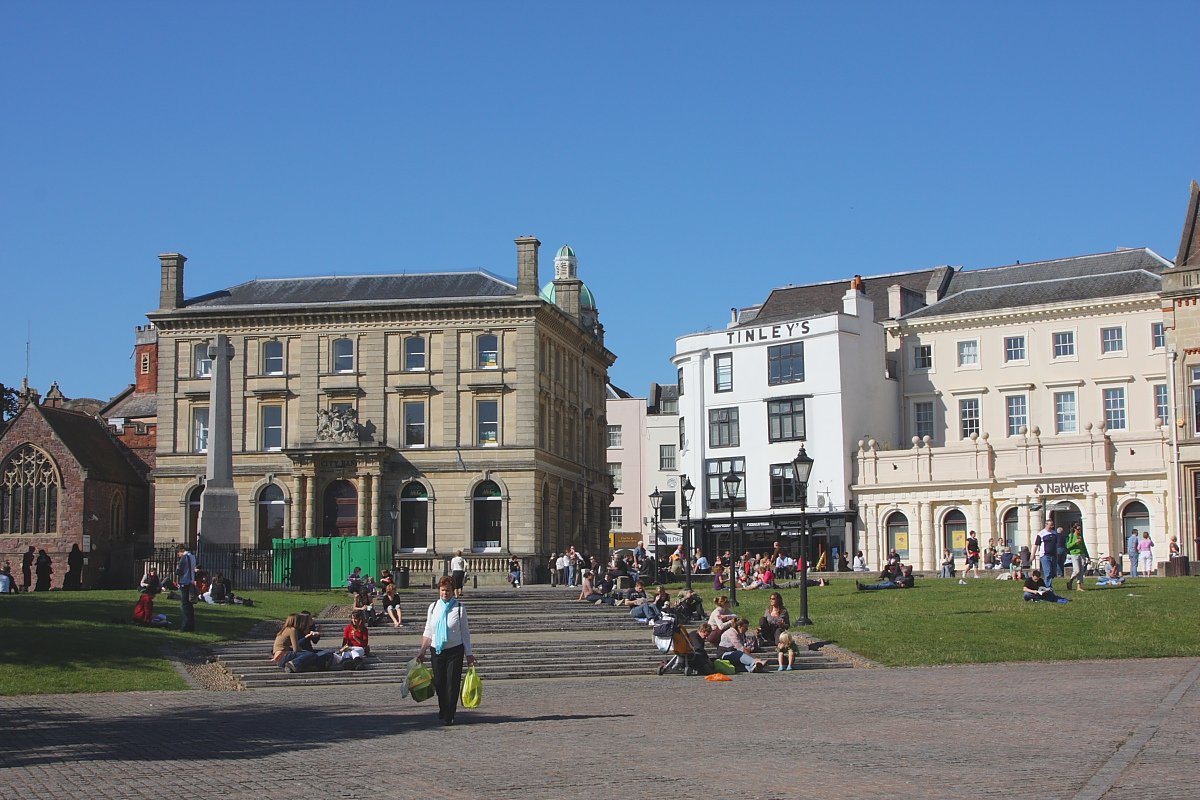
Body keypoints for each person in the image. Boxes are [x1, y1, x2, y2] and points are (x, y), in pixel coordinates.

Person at [417, 576, 477, 726]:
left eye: (448, 590)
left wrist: (469, 653)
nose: (445, 593)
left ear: (453, 591)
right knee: (439, 682)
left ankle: (450, 714)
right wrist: (422, 651)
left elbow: (465, 632)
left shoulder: (459, 608)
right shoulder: (433, 608)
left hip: (455, 651)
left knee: (452, 683)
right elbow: (428, 630)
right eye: (443, 590)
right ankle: (443, 708)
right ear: (439, 591)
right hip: (437, 650)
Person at [175, 543, 197, 632]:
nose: (178, 555)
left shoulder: (184, 557)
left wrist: (177, 570)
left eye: (178, 553)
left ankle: (185, 626)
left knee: (184, 605)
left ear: (182, 550)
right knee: (189, 605)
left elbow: (179, 571)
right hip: (190, 581)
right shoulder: (192, 556)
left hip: (184, 581)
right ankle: (191, 625)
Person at [1034, 521, 1058, 589]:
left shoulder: (1054, 533)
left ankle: (1043, 584)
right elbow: (1036, 545)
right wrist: (1033, 555)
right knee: (1048, 572)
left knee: (1053, 573)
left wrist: (1056, 554)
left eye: (1052, 525)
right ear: (1046, 525)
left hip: (1053, 555)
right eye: (1050, 525)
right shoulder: (1041, 534)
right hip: (1045, 555)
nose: (1052, 526)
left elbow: (1055, 544)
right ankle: (1048, 587)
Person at [1065, 524, 1089, 591]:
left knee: (1081, 571)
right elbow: (1068, 546)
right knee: (1077, 570)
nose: (1079, 530)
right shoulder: (1071, 536)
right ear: (1075, 529)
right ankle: (1071, 580)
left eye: (1080, 529)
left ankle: (1079, 586)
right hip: (1074, 554)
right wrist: (1075, 543)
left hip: (1081, 554)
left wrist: (1087, 555)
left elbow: (1083, 546)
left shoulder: (1080, 536)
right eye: (1078, 529)